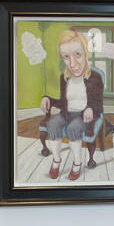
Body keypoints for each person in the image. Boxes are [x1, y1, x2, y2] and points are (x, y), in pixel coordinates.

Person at [38, 30, 103, 181]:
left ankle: (77, 163)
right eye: (66, 57)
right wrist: (48, 99)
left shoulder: (95, 78)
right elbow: (63, 102)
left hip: (83, 116)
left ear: (86, 53)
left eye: (77, 55)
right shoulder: (65, 78)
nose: (72, 63)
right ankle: (56, 159)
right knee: (53, 124)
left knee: (73, 128)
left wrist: (91, 108)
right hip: (67, 113)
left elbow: (99, 104)